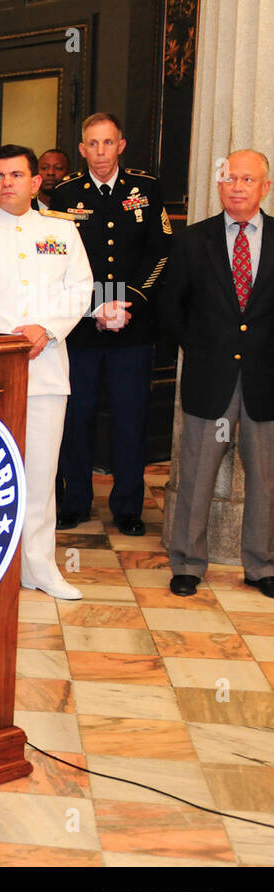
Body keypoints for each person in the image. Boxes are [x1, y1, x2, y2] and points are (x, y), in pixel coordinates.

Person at [0, 144, 102, 602]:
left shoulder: (61, 229)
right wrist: (13, 336)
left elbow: (80, 289)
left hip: (48, 370)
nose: (6, 182)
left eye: (16, 175)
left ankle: (40, 567)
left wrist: (45, 330)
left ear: (36, 182)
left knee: (39, 474)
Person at [161, 150, 274, 598]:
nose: (238, 186)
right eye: (230, 179)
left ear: (265, 186)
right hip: (210, 380)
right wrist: (200, 348)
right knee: (197, 474)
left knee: (265, 482)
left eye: (248, 179)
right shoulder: (193, 240)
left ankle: (262, 566)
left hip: (266, 382)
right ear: (219, 185)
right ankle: (187, 562)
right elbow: (171, 307)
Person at [52, 113, 171, 536]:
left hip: (133, 328)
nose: (100, 152)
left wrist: (128, 300)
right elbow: (57, 262)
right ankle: (75, 501)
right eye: (92, 144)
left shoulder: (147, 189)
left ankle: (127, 506)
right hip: (81, 328)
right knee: (77, 416)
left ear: (121, 144)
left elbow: (160, 253)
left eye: (108, 143)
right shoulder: (65, 194)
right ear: (82, 149)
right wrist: (96, 306)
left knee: (130, 418)